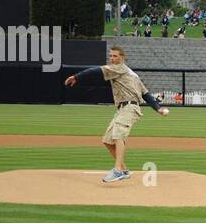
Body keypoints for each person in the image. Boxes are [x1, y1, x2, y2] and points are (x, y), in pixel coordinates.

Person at [63, 46, 171, 182]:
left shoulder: (120, 68)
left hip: (130, 108)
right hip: (122, 109)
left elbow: (96, 71)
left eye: (115, 56)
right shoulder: (133, 74)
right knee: (107, 141)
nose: (112, 58)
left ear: (122, 57)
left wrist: (76, 77)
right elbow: (146, 94)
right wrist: (158, 108)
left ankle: (117, 170)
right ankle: (124, 170)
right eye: (111, 56)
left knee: (118, 135)